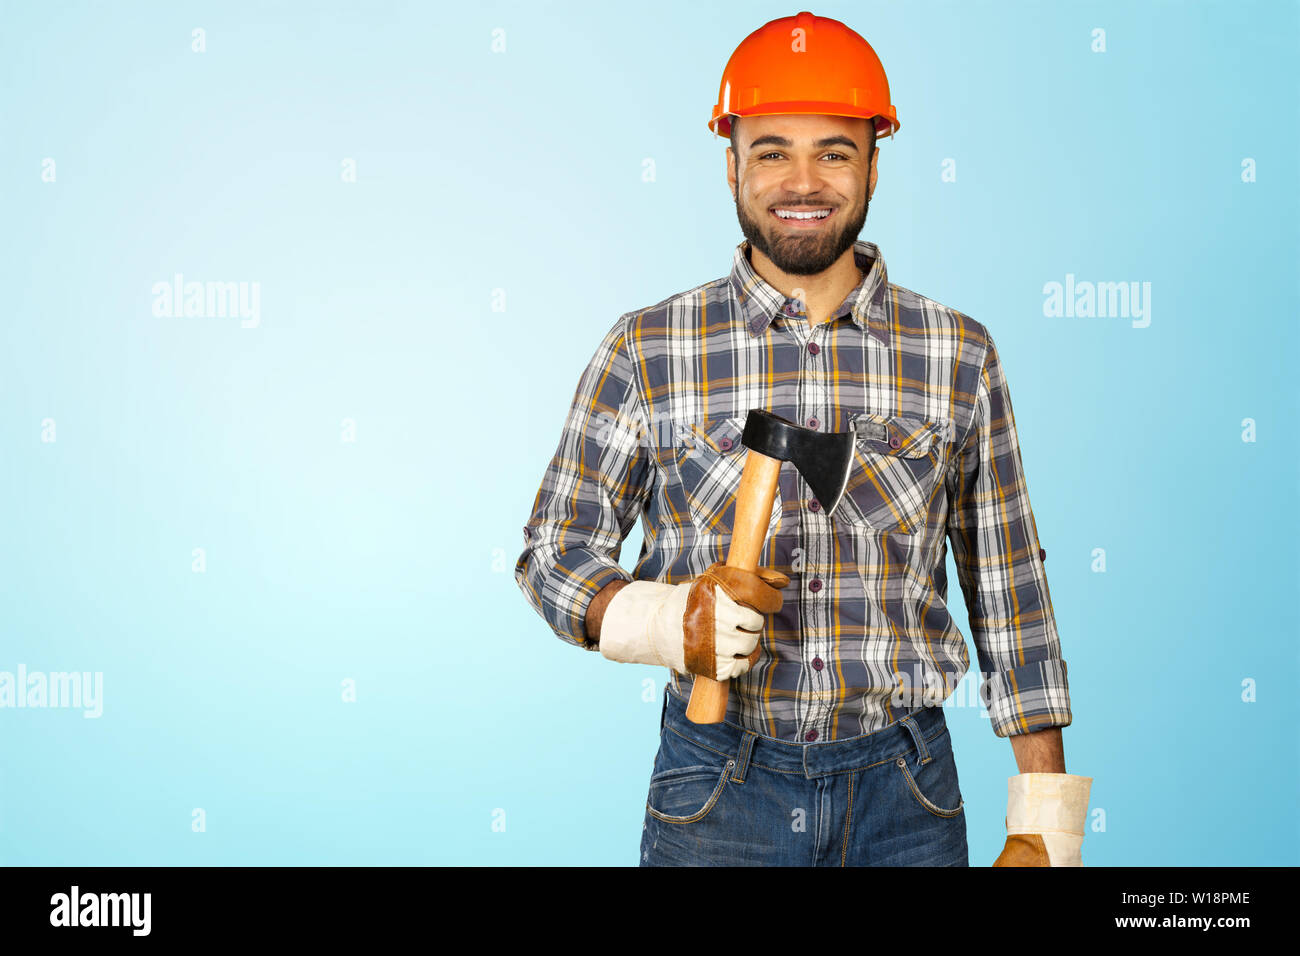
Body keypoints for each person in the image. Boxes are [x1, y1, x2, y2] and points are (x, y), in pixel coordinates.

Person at [515, 11, 1091, 866]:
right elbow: (552, 555)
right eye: (772, 149)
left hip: (909, 793)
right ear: (731, 163)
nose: (803, 180)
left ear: (873, 162)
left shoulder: (958, 353)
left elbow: (1010, 593)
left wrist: (1047, 827)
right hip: (717, 787)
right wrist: (669, 621)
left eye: (834, 150)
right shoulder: (647, 348)